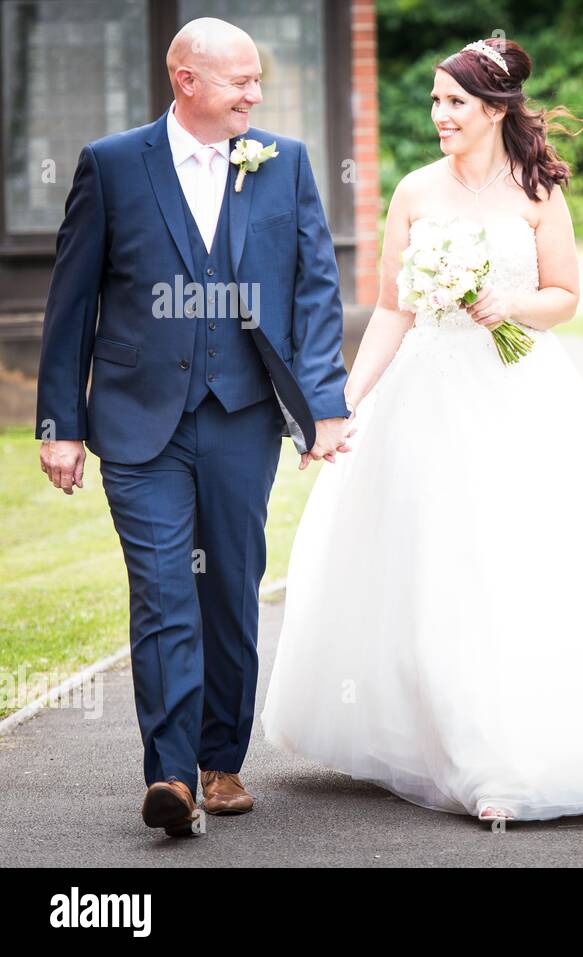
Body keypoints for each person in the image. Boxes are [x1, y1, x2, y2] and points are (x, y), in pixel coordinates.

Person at [260, 37, 583, 823]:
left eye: (455, 104)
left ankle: (515, 753)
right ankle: (439, 738)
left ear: (495, 110)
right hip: (425, 398)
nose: (439, 115)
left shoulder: (537, 190)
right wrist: (343, 403)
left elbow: (566, 295)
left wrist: (510, 308)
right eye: (437, 101)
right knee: (430, 565)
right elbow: (393, 310)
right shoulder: (412, 191)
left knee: (518, 560)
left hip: (518, 394)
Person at [34, 18, 352, 837]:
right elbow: (72, 304)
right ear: (186, 81)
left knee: (230, 587)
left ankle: (221, 760)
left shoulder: (282, 163)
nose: (256, 92)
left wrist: (323, 402)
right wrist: (60, 422)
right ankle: (171, 773)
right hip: (139, 423)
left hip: (243, 415)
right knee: (164, 591)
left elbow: (315, 288)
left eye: (257, 80)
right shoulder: (112, 165)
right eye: (240, 80)